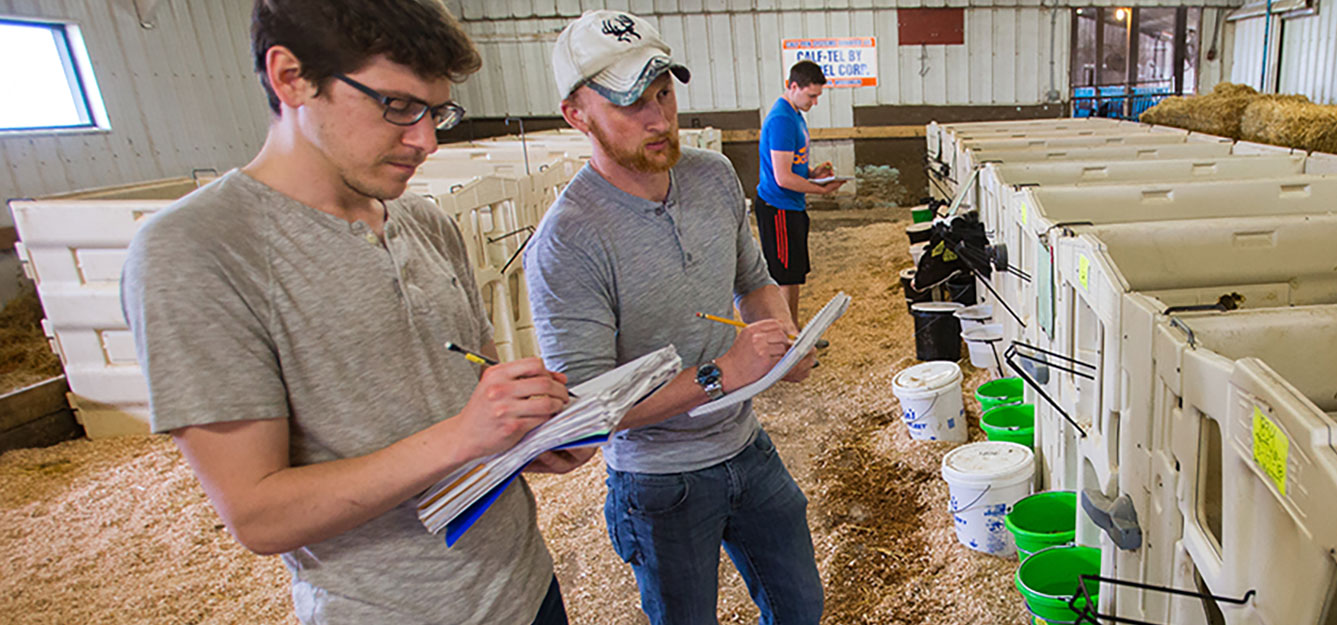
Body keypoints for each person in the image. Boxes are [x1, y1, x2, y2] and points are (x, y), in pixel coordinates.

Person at [120, 1, 584, 623]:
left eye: (436, 111)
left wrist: (530, 432)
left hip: (524, 584)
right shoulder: (199, 250)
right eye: (396, 106)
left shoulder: (423, 222)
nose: (424, 139)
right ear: (291, 78)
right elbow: (258, 514)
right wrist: (462, 435)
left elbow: (472, 391)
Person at [527, 10, 824, 625]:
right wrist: (723, 373)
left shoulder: (711, 176)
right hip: (660, 482)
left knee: (800, 606)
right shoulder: (568, 240)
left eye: (663, 93)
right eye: (631, 103)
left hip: (746, 446)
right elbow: (588, 409)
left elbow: (755, 282)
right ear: (576, 113)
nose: (659, 119)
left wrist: (783, 342)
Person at [755, 60, 845, 327]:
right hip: (778, 206)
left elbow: (792, 165)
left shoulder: (794, 115)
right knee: (784, 278)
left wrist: (813, 173)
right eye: (811, 95)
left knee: (792, 276)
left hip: (791, 206)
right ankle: (789, 339)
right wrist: (820, 189)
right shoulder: (782, 118)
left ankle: (794, 332)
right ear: (793, 86)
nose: (815, 102)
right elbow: (783, 177)